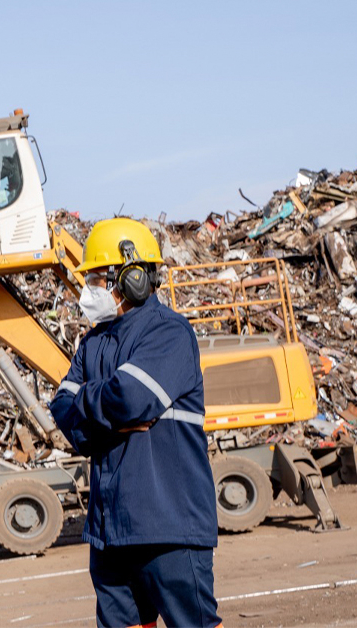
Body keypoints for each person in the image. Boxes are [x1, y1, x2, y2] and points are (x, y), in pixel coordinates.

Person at [48, 217, 221, 628]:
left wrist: (96, 405)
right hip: (109, 531)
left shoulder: (169, 334)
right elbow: (61, 407)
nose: (89, 289)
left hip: (168, 527)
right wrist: (106, 412)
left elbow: (129, 399)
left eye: (97, 278)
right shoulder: (93, 341)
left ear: (134, 279)